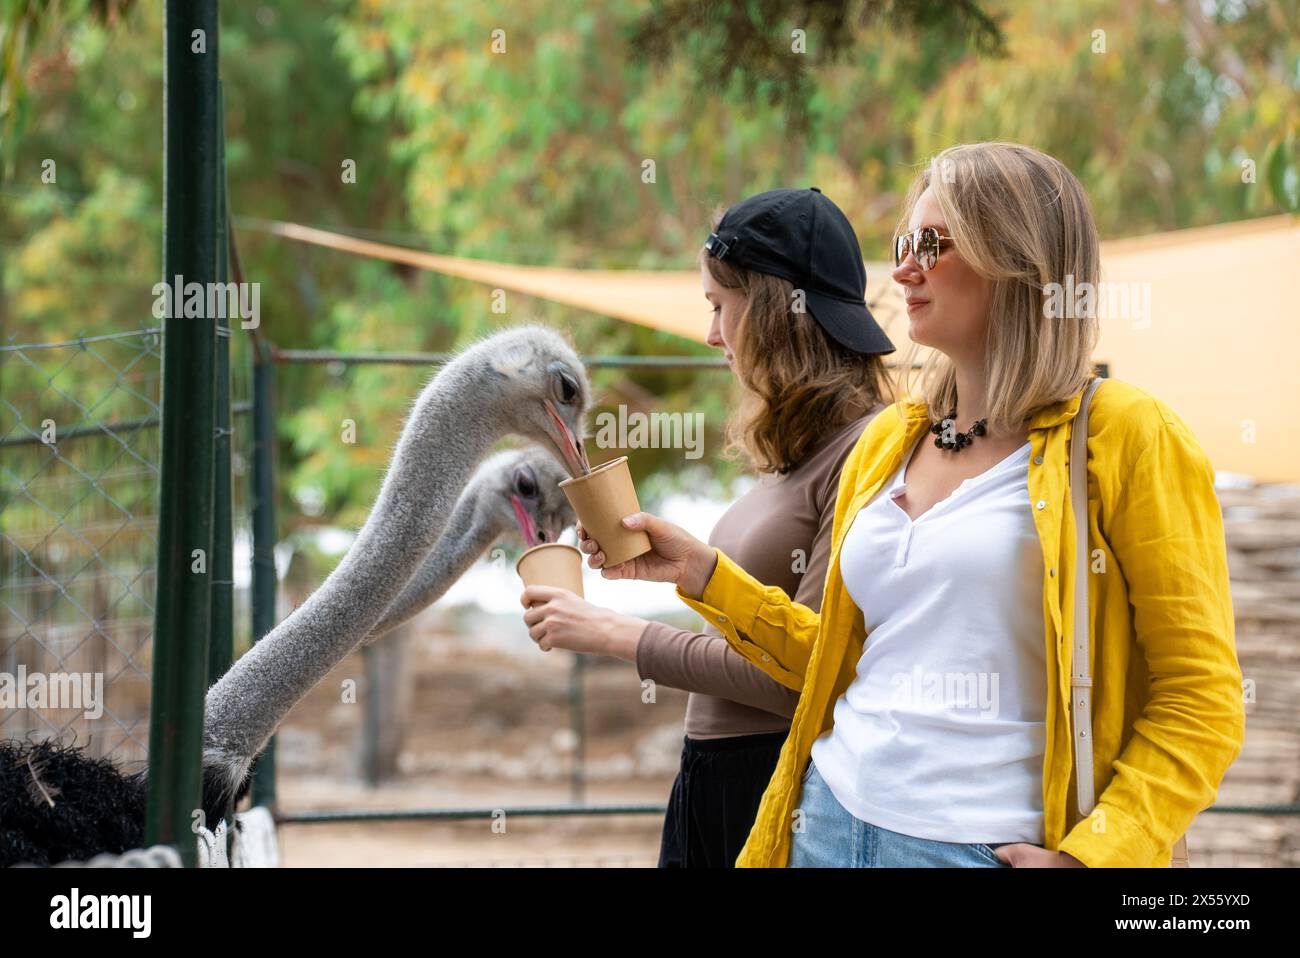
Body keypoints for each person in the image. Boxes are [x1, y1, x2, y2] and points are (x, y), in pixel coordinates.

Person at [575, 142, 1245, 868]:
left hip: (976, 850)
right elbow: (837, 659)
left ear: (1016, 257)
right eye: (902, 243)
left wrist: (1095, 855)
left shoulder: (1130, 436)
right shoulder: (892, 438)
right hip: (821, 828)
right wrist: (702, 574)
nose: (901, 269)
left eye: (931, 243)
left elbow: (1202, 700)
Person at [520, 187, 895, 866]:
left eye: (721, 308)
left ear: (780, 313)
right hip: (712, 784)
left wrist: (618, 636)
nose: (711, 334)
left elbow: (801, 675)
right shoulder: (799, 451)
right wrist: (667, 564)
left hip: (774, 787)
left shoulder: (864, 454)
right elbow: (756, 624)